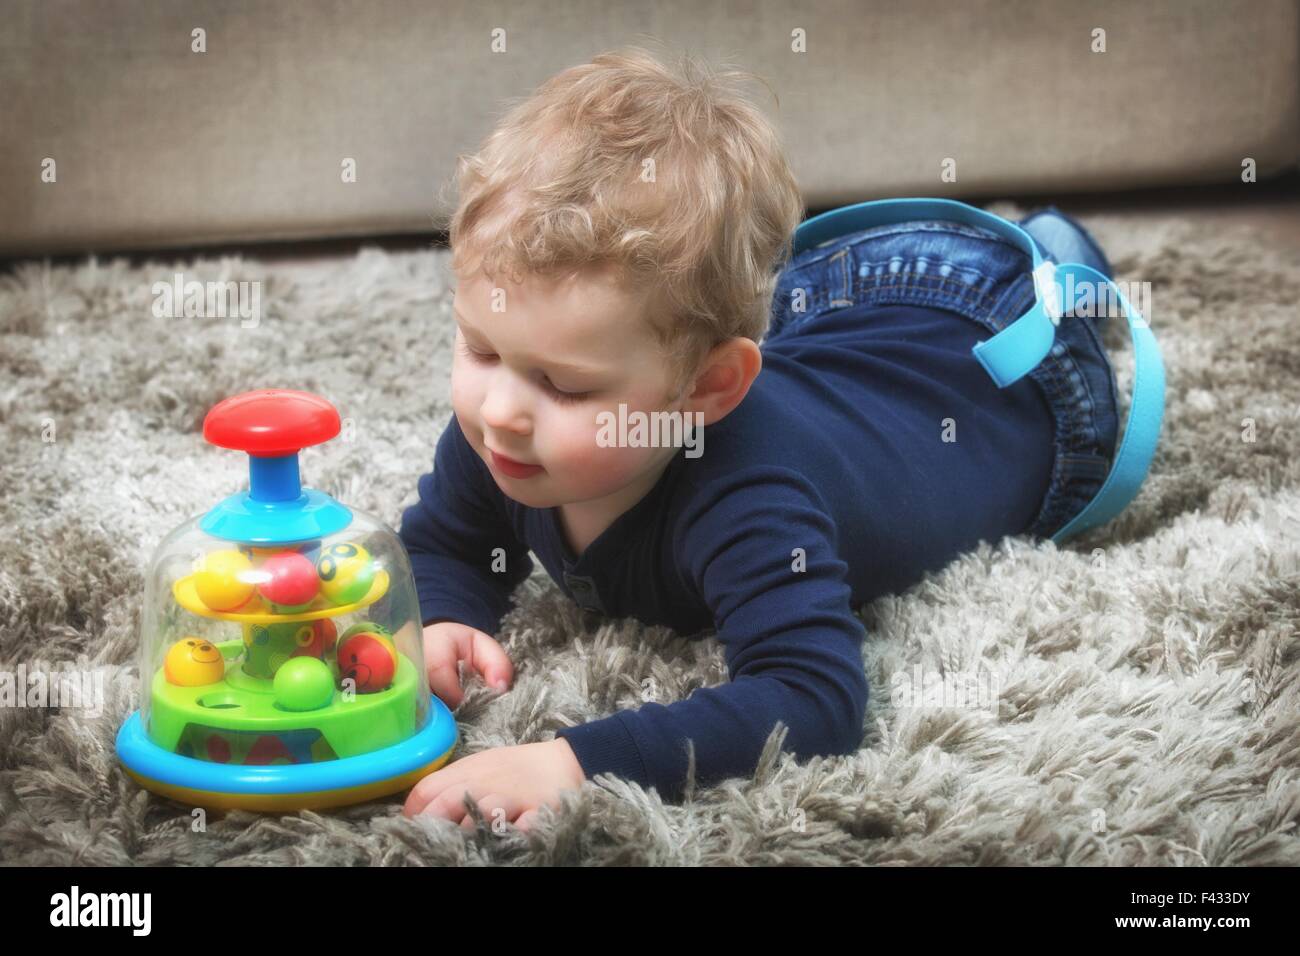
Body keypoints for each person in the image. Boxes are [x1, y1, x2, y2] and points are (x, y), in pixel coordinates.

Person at [398, 47, 1119, 830]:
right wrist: (446, 616)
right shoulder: (496, 436)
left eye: (564, 385)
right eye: (481, 348)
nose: (500, 408)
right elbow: (443, 542)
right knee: (725, 302)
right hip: (838, 299)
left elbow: (815, 699)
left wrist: (574, 762)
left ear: (706, 390)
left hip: (1006, 356)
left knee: (1062, 279)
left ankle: (1058, 245)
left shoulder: (748, 497)